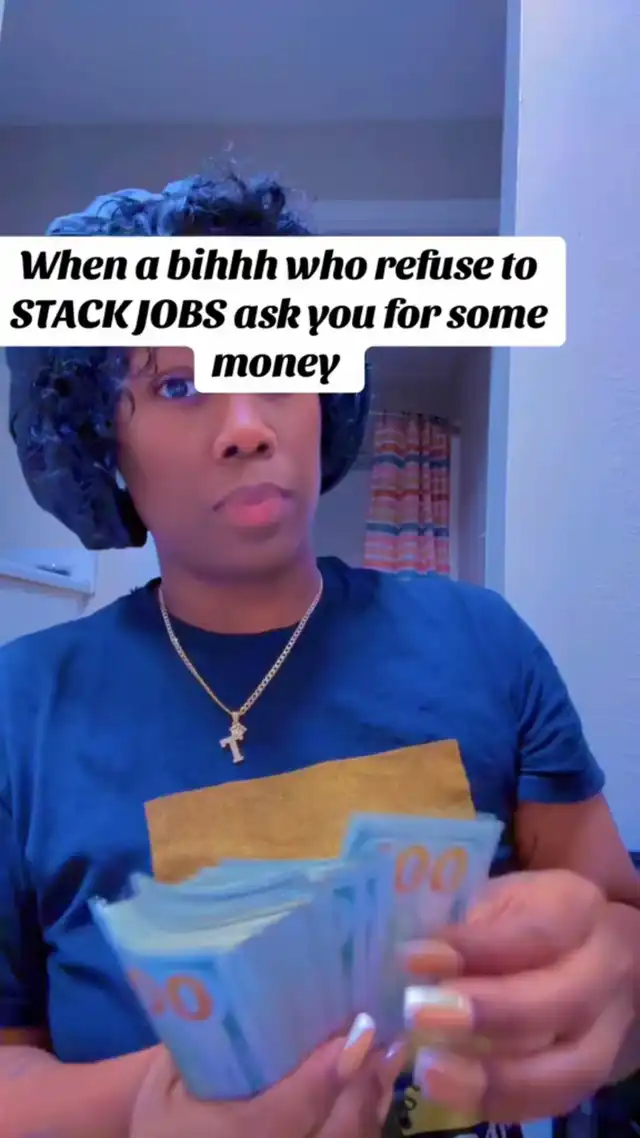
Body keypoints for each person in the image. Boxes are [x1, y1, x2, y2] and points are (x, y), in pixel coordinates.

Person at [1, 171, 639, 1138]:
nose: (247, 425)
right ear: (100, 446)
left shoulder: (483, 643)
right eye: (178, 385)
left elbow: (614, 922)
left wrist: (619, 981)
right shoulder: (23, 710)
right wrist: (149, 1106)